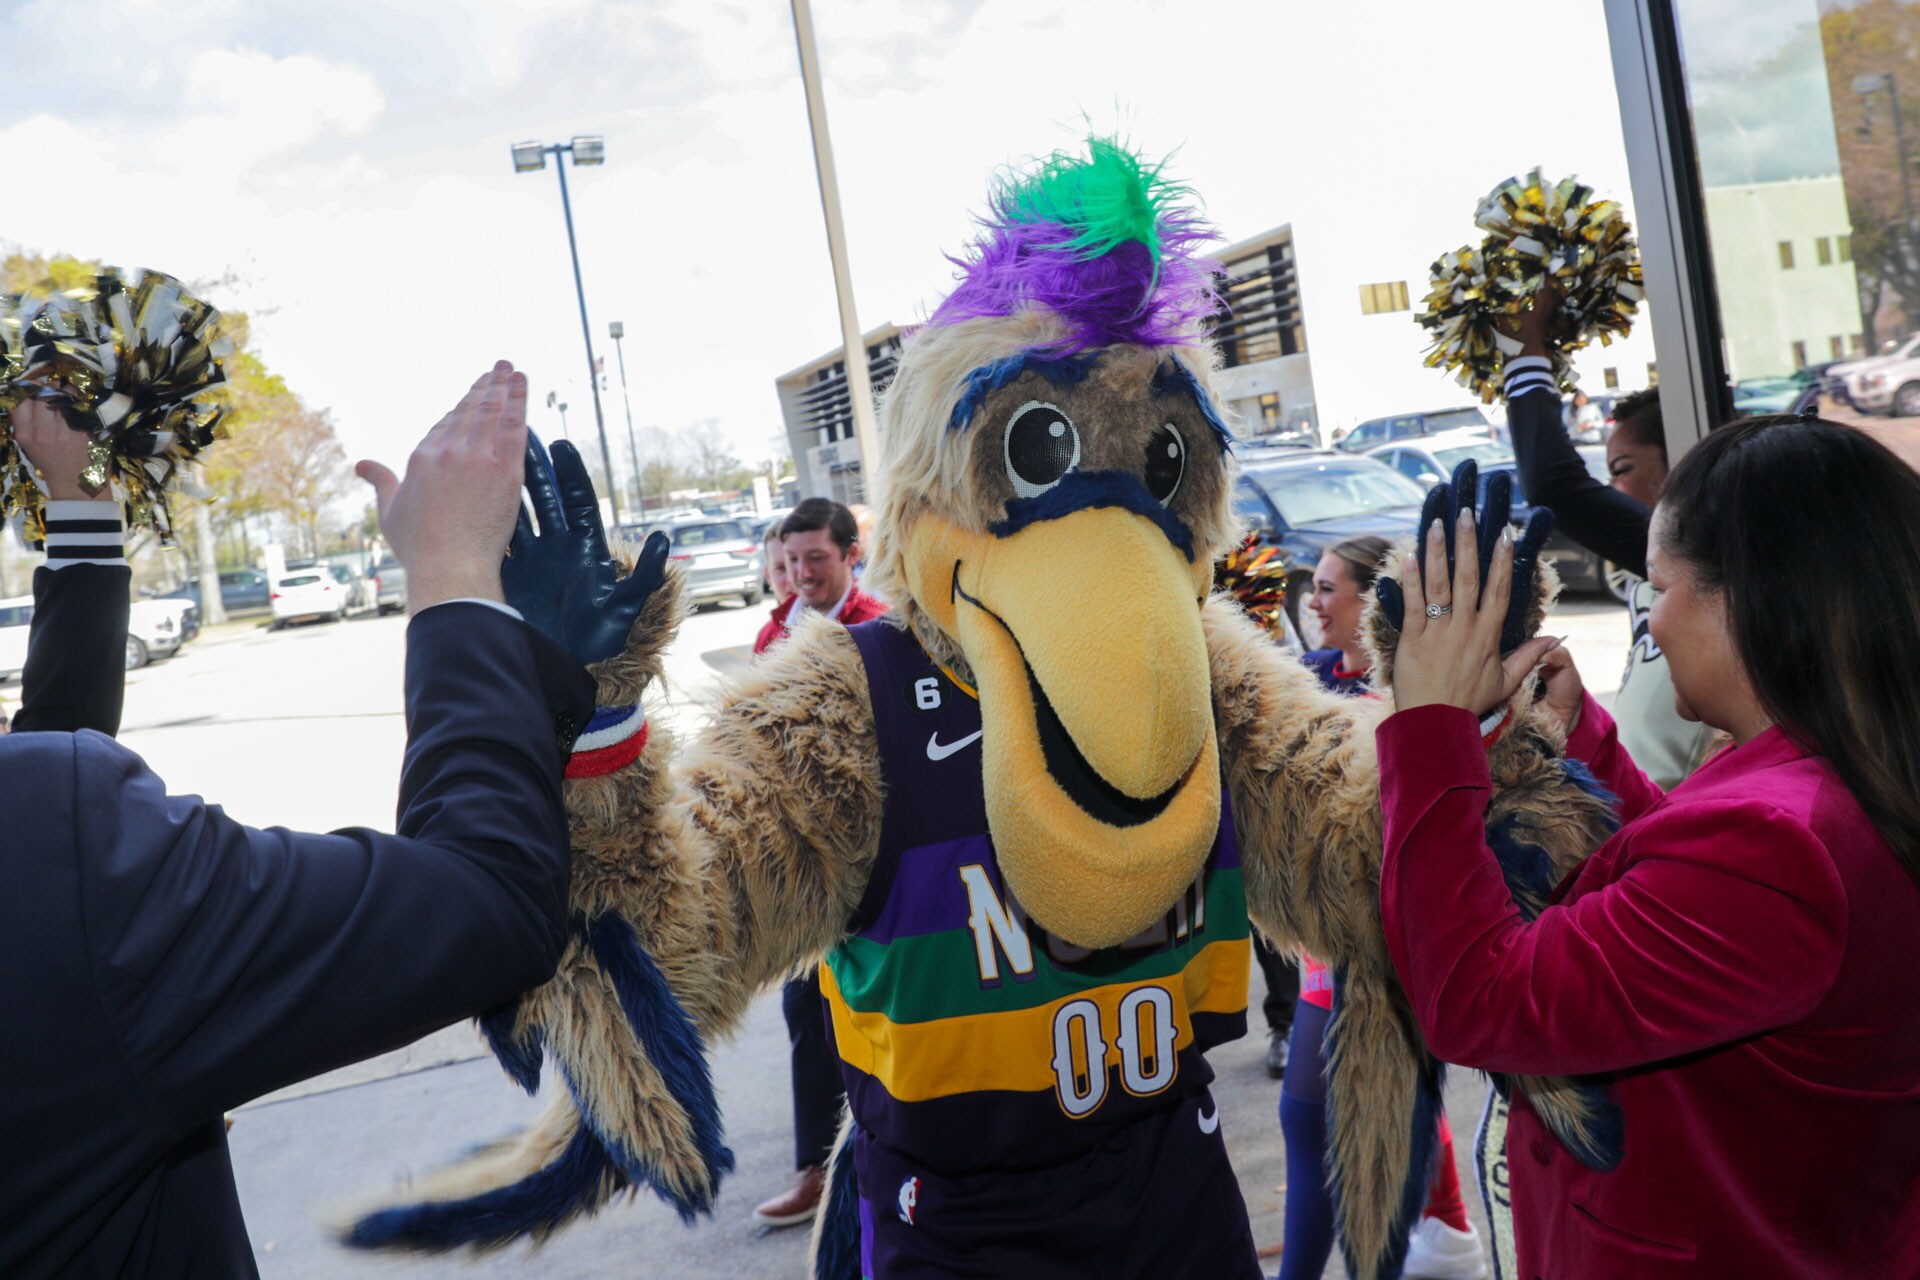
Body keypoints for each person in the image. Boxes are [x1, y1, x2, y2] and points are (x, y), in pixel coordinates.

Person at [0, 362, 659, 1277]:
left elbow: (44, 782)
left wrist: (79, 509)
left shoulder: (38, 836)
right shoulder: (40, 844)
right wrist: (456, 579)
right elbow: (487, 903)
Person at [1379, 414, 1920, 1277]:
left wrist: (1428, 730)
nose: (1651, 625)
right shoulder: (1837, 777)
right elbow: (1682, 922)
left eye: (1659, 585)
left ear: (1748, 593)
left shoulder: (1778, 846)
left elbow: (1478, 1001)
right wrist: (1583, 740)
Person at [1276, 535, 1485, 1280]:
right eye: (1315, 586)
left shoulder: (1400, 702)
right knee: (1395, 1115)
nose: (1314, 600)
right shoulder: (1312, 679)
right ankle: (1450, 1233)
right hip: (1321, 949)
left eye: (1330, 588)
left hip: (1373, 950)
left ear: (1371, 602)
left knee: (1315, 1120)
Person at [1503, 299, 1718, 789]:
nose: (1613, 494)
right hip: (1644, 810)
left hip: (1685, 812)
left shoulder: (1708, 553)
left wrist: (1523, 347)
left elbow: (1556, 486)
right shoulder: (1657, 575)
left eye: (1622, 470)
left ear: (1682, 463)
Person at [750, 495, 887, 1228]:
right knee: (806, 1008)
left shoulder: (880, 631)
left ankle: (887, 1155)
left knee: (882, 1006)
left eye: (816, 559)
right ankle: (815, 1172)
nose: (801, 573)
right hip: (805, 863)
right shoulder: (774, 634)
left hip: (877, 859)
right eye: (791, 560)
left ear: (849, 557)